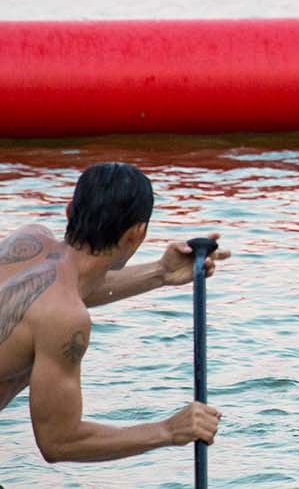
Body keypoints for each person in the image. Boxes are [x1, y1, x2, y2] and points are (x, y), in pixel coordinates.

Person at [0, 162, 228, 463]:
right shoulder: (65, 319)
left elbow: (67, 291)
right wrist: (169, 430)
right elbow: (58, 442)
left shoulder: (27, 242)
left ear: (70, 210)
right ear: (136, 234)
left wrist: (161, 272)